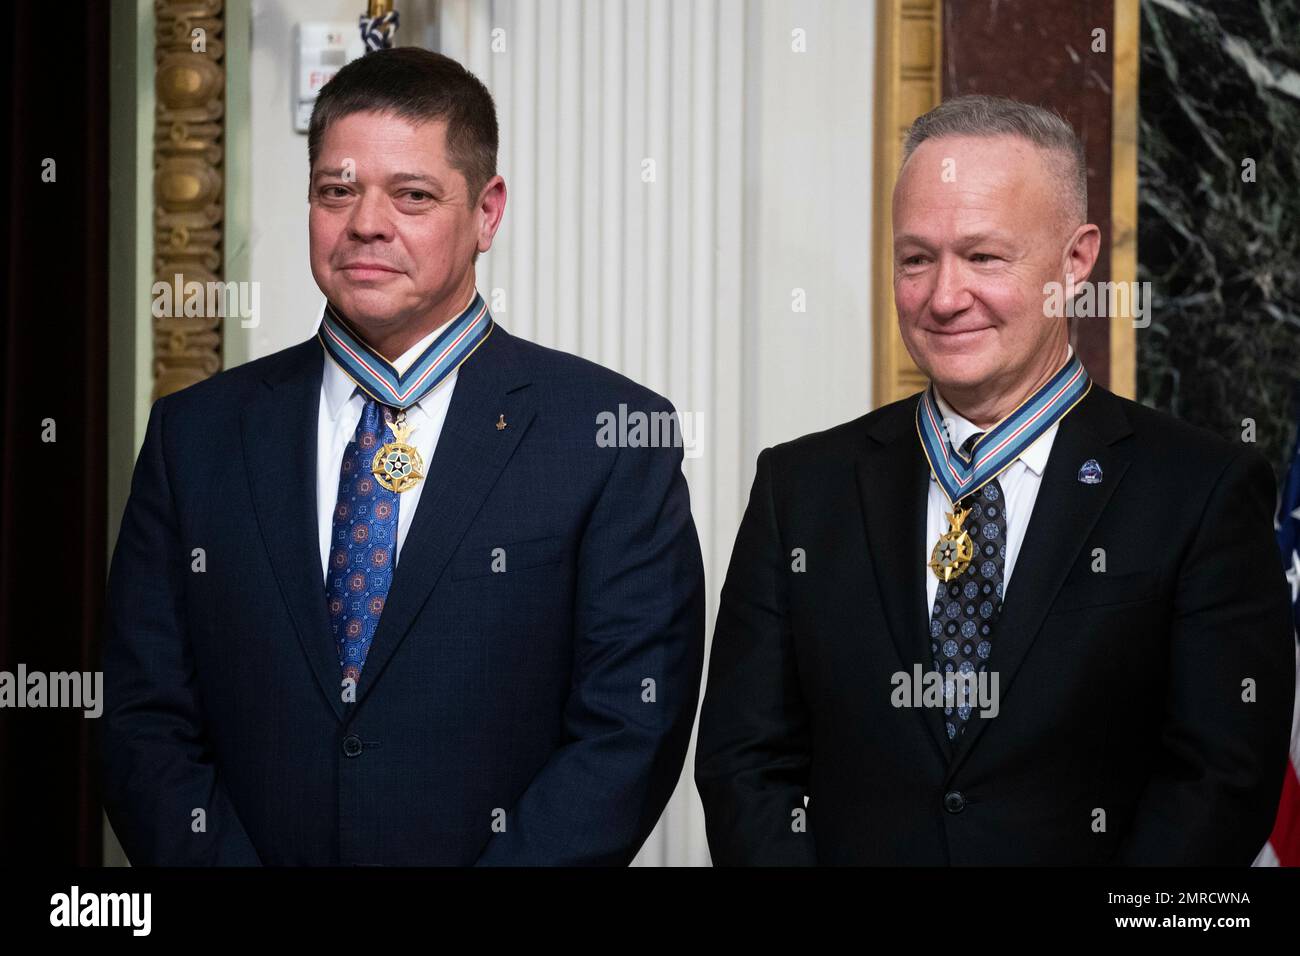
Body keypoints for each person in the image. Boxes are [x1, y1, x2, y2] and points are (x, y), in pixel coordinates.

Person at [101, 48, 705, 866]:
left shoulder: (612, 436)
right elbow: (142, 719)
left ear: (487, 213)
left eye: (412, 196)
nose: (366, 224)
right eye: (336, 191)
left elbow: (629, 733)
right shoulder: (194, 434)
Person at [695, 94, 1295, 865]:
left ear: (1075, 262)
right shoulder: (800, 492)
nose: (944, 298)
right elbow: (745, 766)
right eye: (916, 258)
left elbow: (1220, 785)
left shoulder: (1200, 491)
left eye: (984, 257)